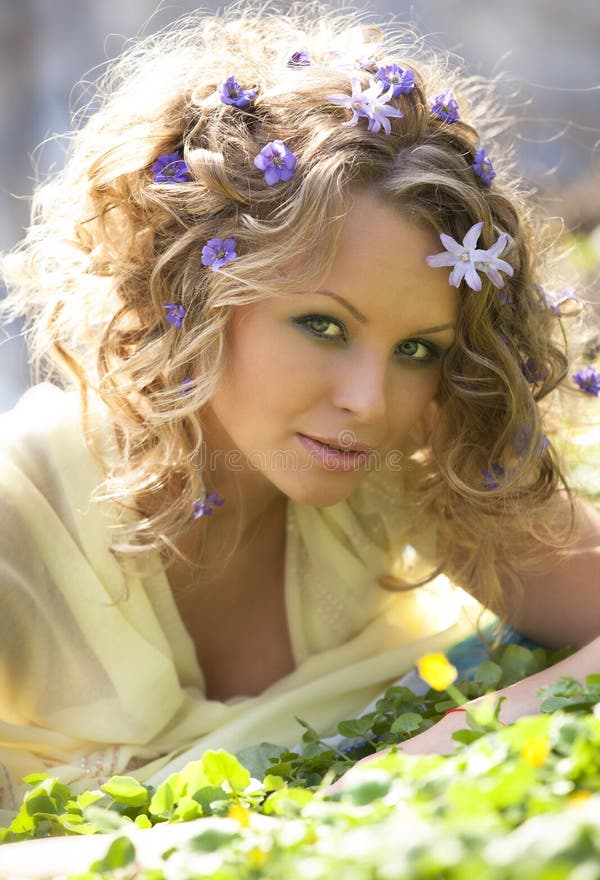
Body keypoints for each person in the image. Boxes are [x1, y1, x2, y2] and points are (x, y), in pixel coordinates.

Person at [0, 4, 599, 820]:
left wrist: (428, 754)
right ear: (196, 290)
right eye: (323, 326)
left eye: (417, 349)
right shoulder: (23, 519)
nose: (370, 401)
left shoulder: (408, 466)